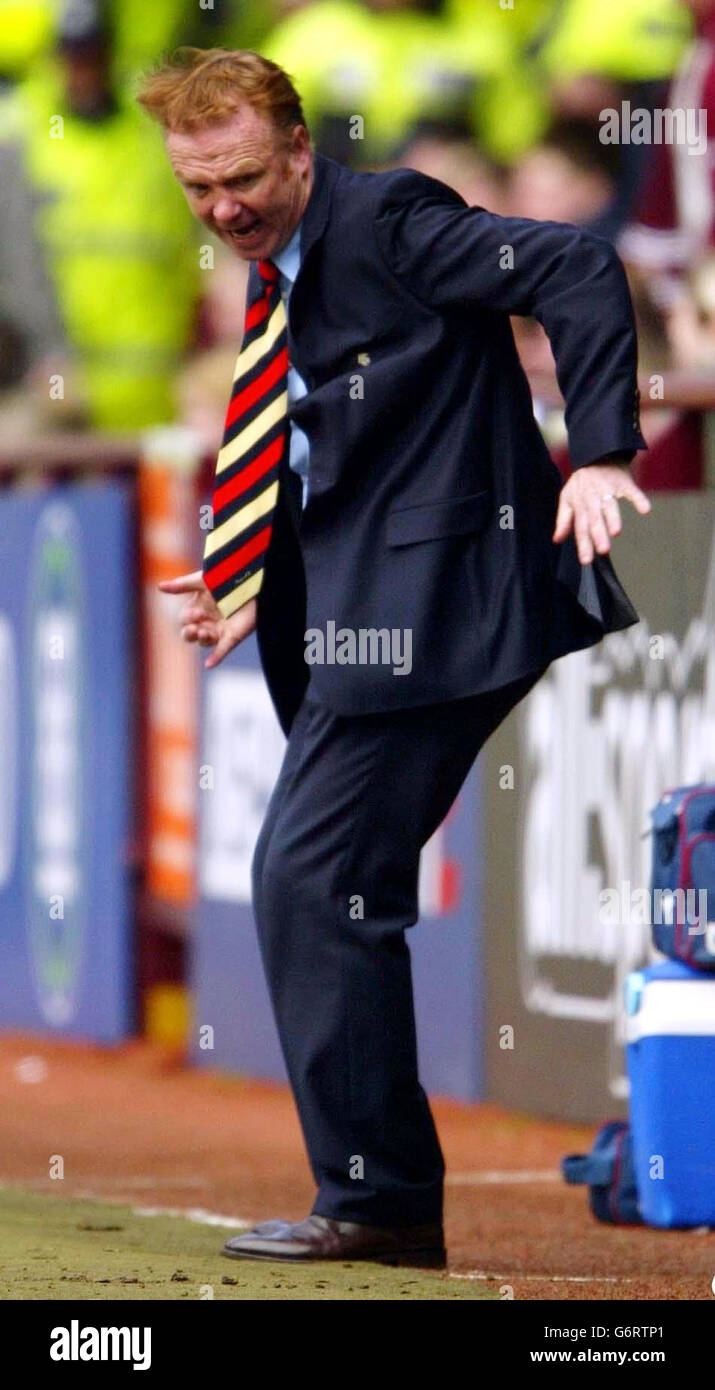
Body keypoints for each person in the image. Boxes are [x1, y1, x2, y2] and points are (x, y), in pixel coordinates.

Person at [141, 47, 651, 1267]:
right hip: (373, 622)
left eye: (246, 177)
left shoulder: (390, 221)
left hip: (439, 611)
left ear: (303, 150)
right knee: (329, 887)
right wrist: (236, 575)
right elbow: (310, 439)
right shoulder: (282, 273)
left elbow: (577, 264)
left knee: (311, 884)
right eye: (199, 189)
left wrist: (600, 452)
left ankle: (376, 1199)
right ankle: (380, 1198)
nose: (225, 208)